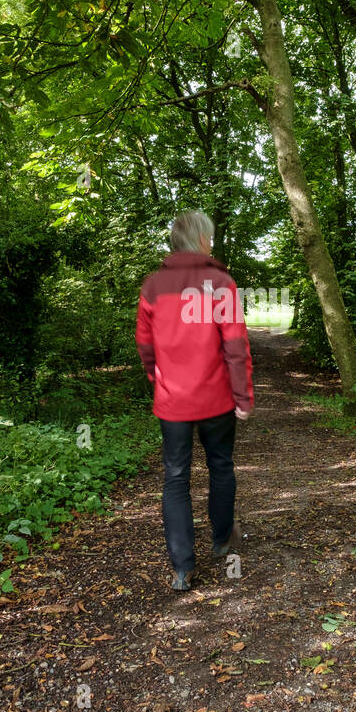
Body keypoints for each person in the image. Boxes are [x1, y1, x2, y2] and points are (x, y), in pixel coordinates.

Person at [136, 211, 254, 592]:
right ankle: (221, 540)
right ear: (203, 241)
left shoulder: (153, 285)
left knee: (175, 478)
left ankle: (182, 568)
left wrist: (158, 378)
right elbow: (235, 347)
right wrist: (243, 396)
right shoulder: (220, 282)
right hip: (217, 399)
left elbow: (145, 344)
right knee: (221, 466)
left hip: (172, 402)